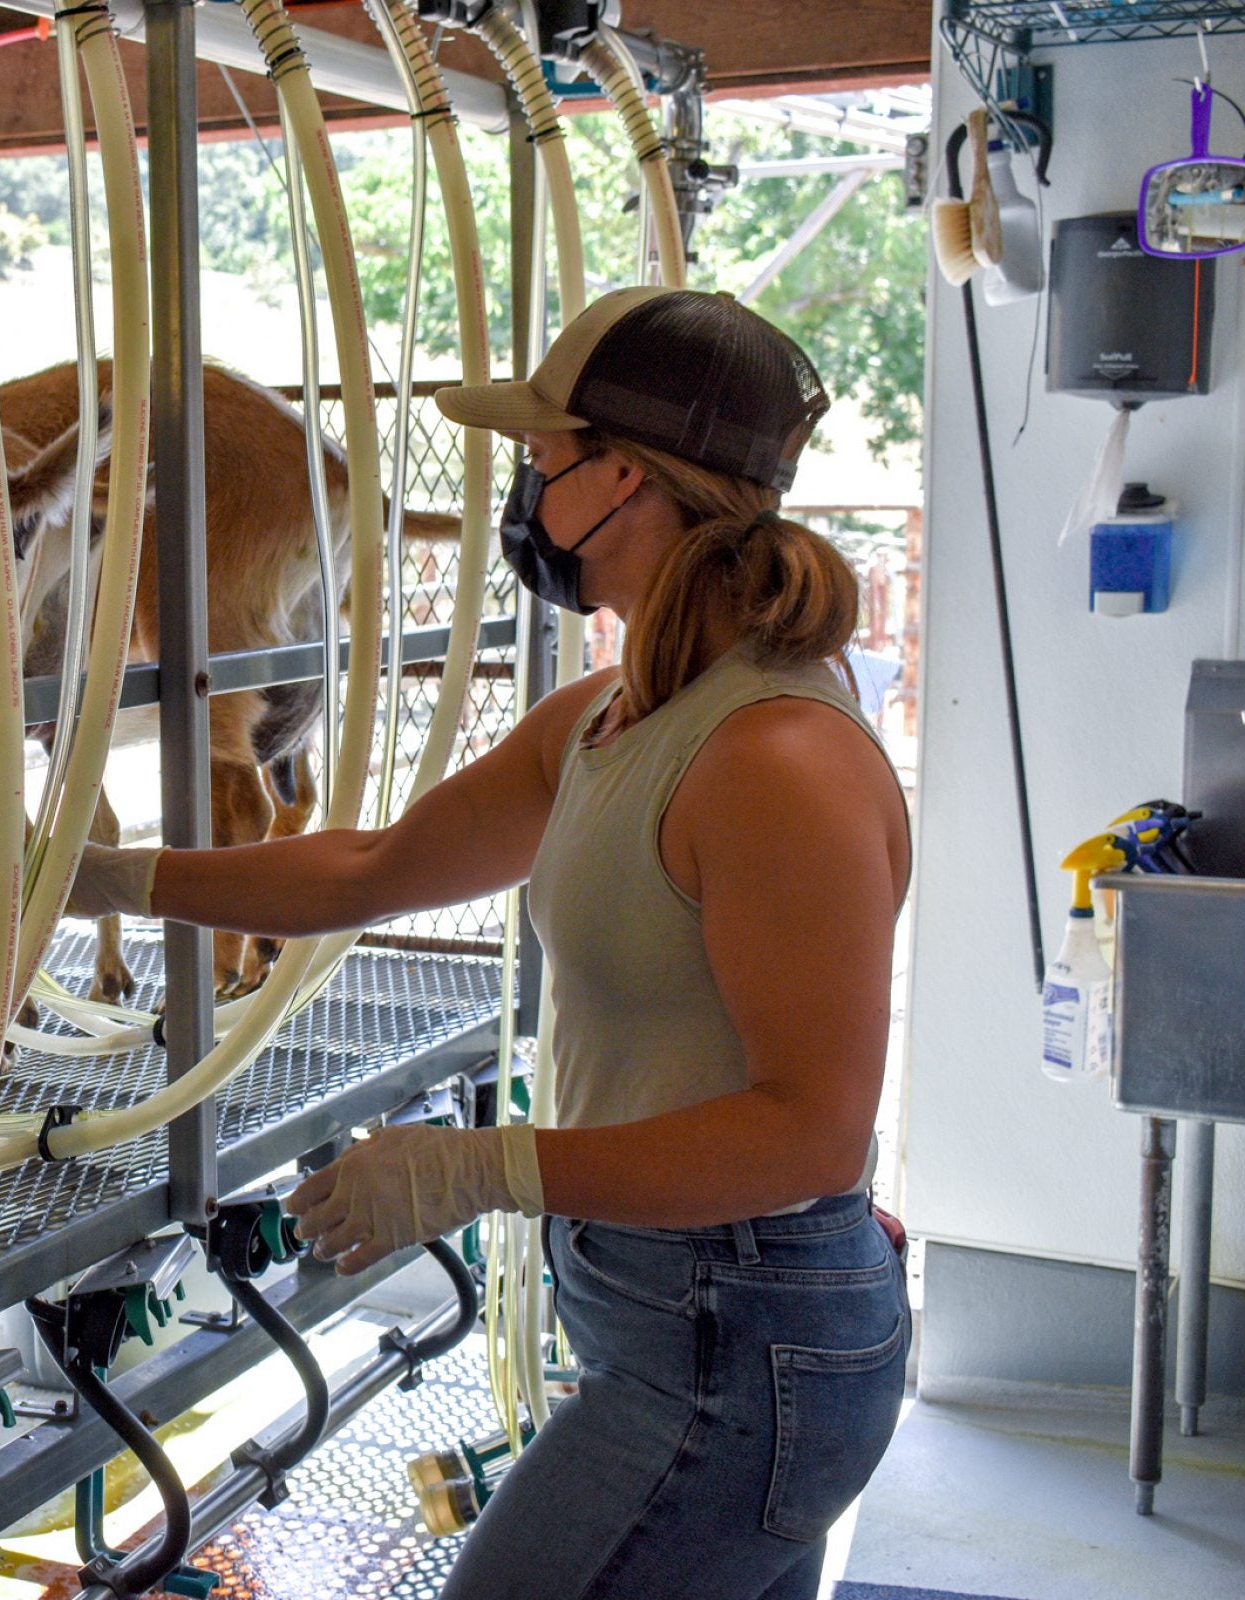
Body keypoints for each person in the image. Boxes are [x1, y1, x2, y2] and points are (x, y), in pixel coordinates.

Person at [71, 287, 911, 1600]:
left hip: (744, 1345)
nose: (524, 494)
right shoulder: (611, 718)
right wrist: (124, 878)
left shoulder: (774, 762)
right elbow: (374, 866)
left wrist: (486, 1166)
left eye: (539, 462)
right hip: (674, 1320)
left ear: (620, 477)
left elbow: (810, 1132)